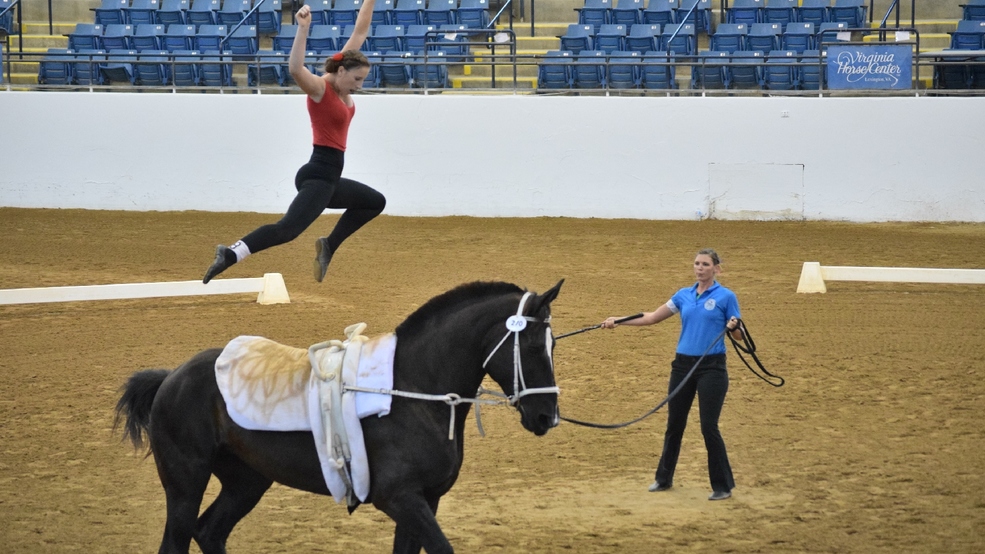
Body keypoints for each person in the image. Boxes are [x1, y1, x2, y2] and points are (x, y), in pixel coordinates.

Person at [203, 0, 386, 284]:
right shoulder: (320, 89)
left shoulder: (345, 73)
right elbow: (295, 69)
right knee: (287, 230)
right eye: (357, 79)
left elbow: (360, 30)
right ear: (341, 72)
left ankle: (329, 245)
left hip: (330, 178)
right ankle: (231, 253)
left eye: (363, 80)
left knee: (374, 202)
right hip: (319, 176)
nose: (360, 85)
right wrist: (303, 29)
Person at [601, 248, 744, 501]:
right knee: (674, 424)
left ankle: (722, 486)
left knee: (708, 426)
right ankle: (663, 478)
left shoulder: (725, 296)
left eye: (705, 264)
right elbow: (652, 318)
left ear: (716, 269)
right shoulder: (683, 295)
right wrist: (619, 320)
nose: (700, 268)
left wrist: (733, 327)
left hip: (711, 367)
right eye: (697, 264)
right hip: (682, 366)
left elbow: (739, 335)